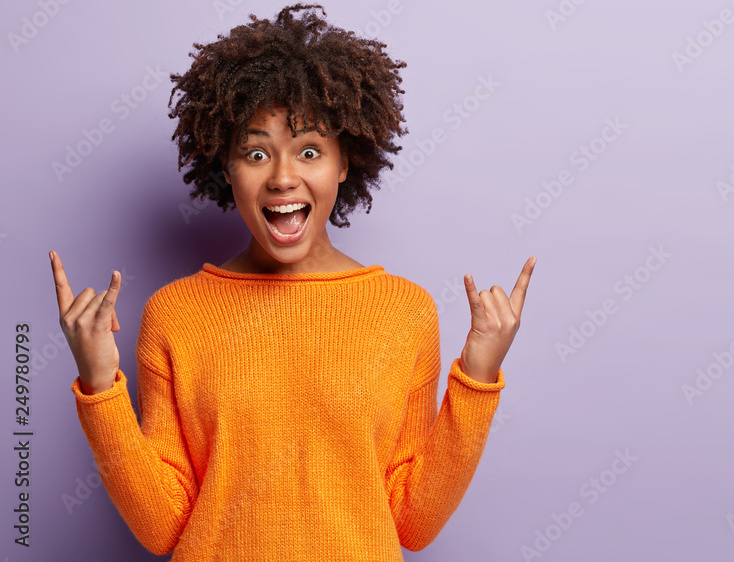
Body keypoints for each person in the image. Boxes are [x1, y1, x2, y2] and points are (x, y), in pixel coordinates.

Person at [50, 4, 535, 559]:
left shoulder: (403, 311)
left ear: (344, 164)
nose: (283, 176)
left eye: (309, 151)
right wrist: (98, 383)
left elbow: (412, 522)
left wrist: (479, 374)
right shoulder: (176, 313)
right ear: (226, 167)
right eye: (256, 153)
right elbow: (164, 527)